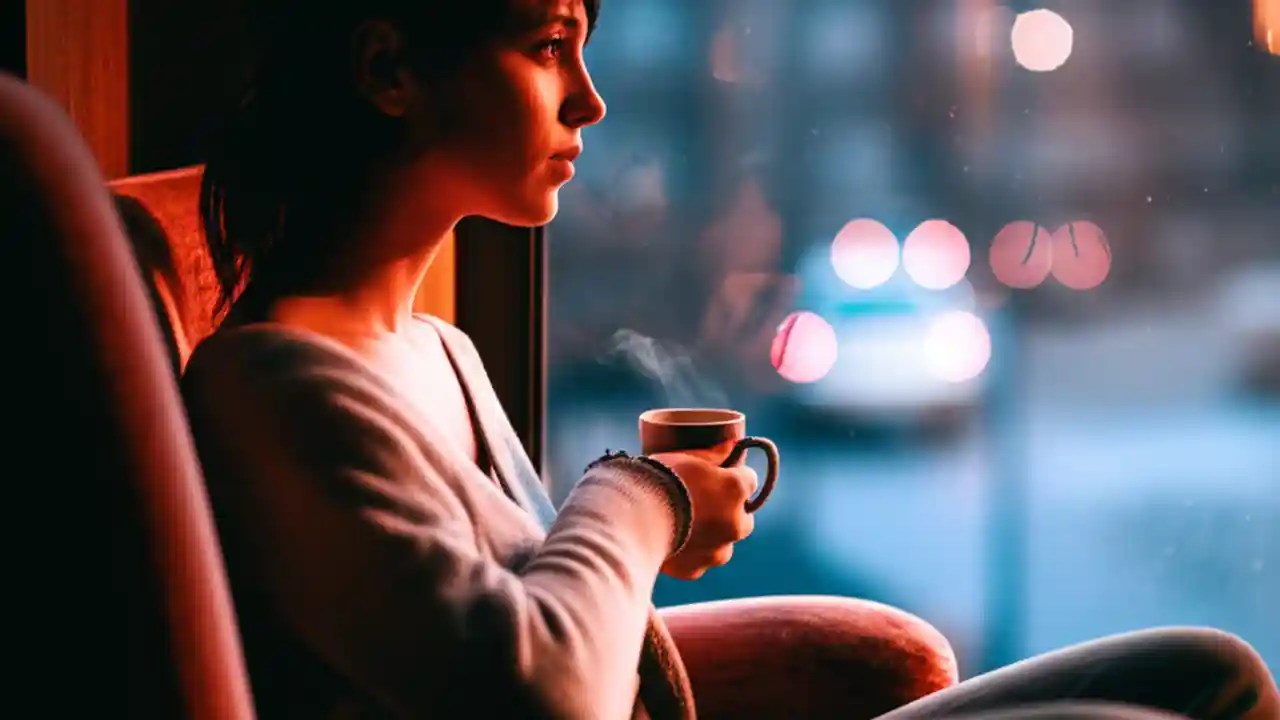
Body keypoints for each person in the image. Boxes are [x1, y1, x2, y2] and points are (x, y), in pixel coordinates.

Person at [181, 1, 1280, 718]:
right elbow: (545, 694)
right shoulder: (272, 390)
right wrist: (640, 493)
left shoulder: (437, 348)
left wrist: (646, 525)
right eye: (548, 44)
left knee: (1213, 672)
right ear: (390, 69)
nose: (591, 100)